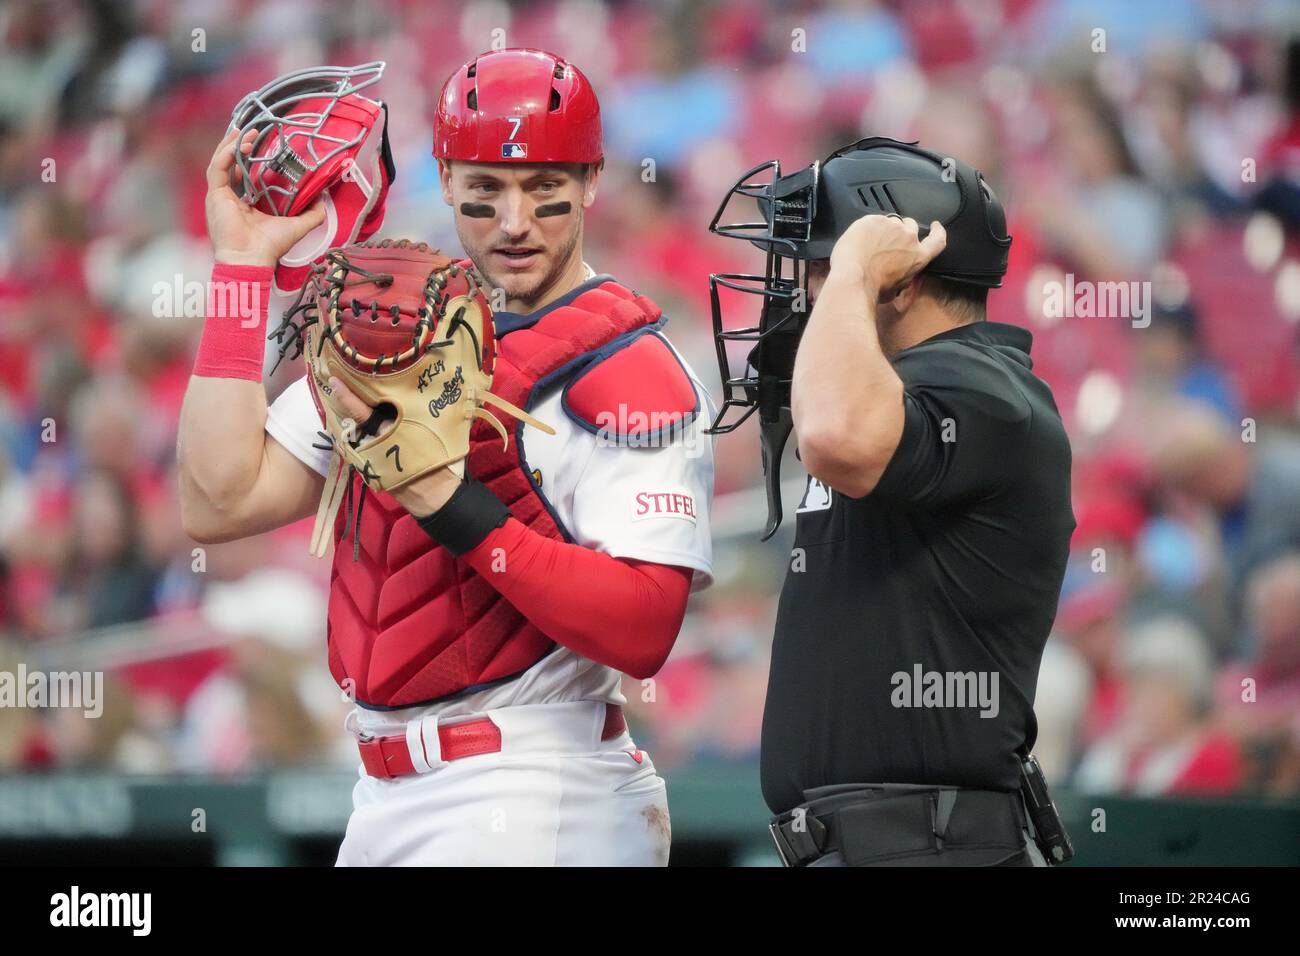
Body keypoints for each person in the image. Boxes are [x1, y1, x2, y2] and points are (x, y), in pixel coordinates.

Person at [176, 48, 716, 866]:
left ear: (593, 180)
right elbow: (218, 501)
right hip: (384, 792)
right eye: (487, 189)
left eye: (544, 188)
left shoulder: (624, 368)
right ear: (445, 176)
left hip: (534, 783)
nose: (514, 221)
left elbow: (644, 628)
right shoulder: (402, 325)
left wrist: (450, 501)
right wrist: (242, 271)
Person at [708, 137, 1075, 866]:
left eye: (817, 265)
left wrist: (853, 269)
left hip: (930, 843)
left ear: (899, 282)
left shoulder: (985, 389)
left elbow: (839, 434)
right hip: (888, 843)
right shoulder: (921, 391)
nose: (804, 291)